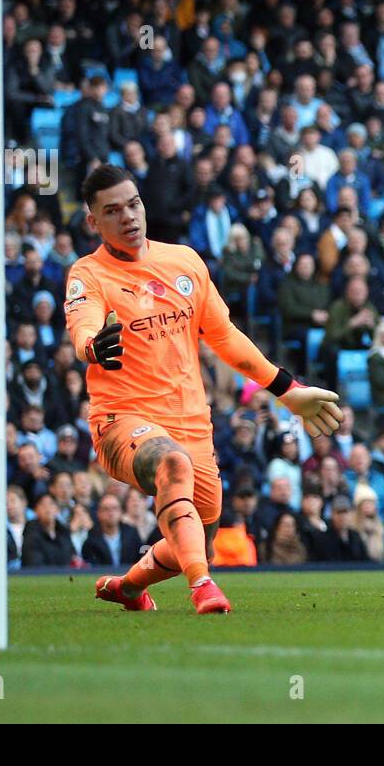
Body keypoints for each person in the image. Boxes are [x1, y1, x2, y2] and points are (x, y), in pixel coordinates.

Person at [64, 165, 342, 615]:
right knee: (171, 466)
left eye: (133, 205)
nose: (128, 217)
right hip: (122, 420)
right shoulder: (88, 274)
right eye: (112, 211)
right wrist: (93, 346)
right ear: (93, 222)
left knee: (198, 539)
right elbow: (84, 326)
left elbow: (225, 337)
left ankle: (128, 587)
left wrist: (287, 389)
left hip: (193, 423)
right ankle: (204, 588)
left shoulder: (185, 262)